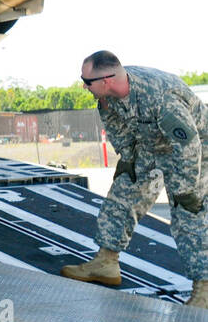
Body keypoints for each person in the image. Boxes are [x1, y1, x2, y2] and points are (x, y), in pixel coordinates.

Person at [61, 50, 208, 308]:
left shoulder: (161, 99)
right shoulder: (107, 95)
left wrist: (185, 190)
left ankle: (204, 291)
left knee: (189, 215)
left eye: (87, 82)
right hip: (152, 146)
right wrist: (128, 159)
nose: (84, 86)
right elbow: (116, 124)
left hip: (194, 150)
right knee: (123, 195)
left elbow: (189, 145)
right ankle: (106, 262)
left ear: (106, 80)